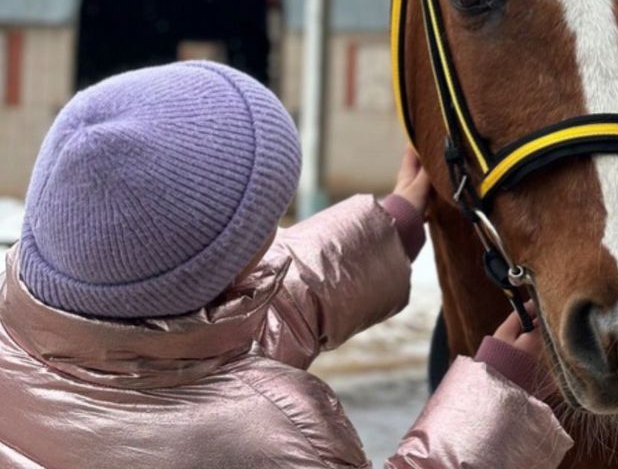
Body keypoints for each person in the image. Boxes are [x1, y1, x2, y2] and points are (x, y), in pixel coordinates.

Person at [0, 61, 572, 468]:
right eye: (262, 221)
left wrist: (387, 229)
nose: (274, 231)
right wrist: (498, 408)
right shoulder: (270, 440)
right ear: (220, 270)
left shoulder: (40, 310)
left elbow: (244, 311)